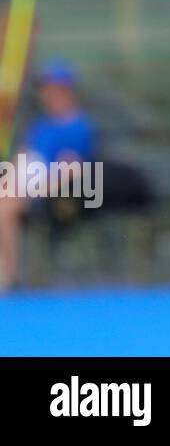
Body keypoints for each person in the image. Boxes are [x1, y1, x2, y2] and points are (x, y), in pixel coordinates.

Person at [0, 60, 98, 291]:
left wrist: (35, 190)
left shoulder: (80, 127)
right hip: (24, 185)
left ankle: (10, 276)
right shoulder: (41, 126)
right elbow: (24, 157)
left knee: (5, 210)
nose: (45, 95)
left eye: (50, 89)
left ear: (65, 91)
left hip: (57, 194)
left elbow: (73, 169)